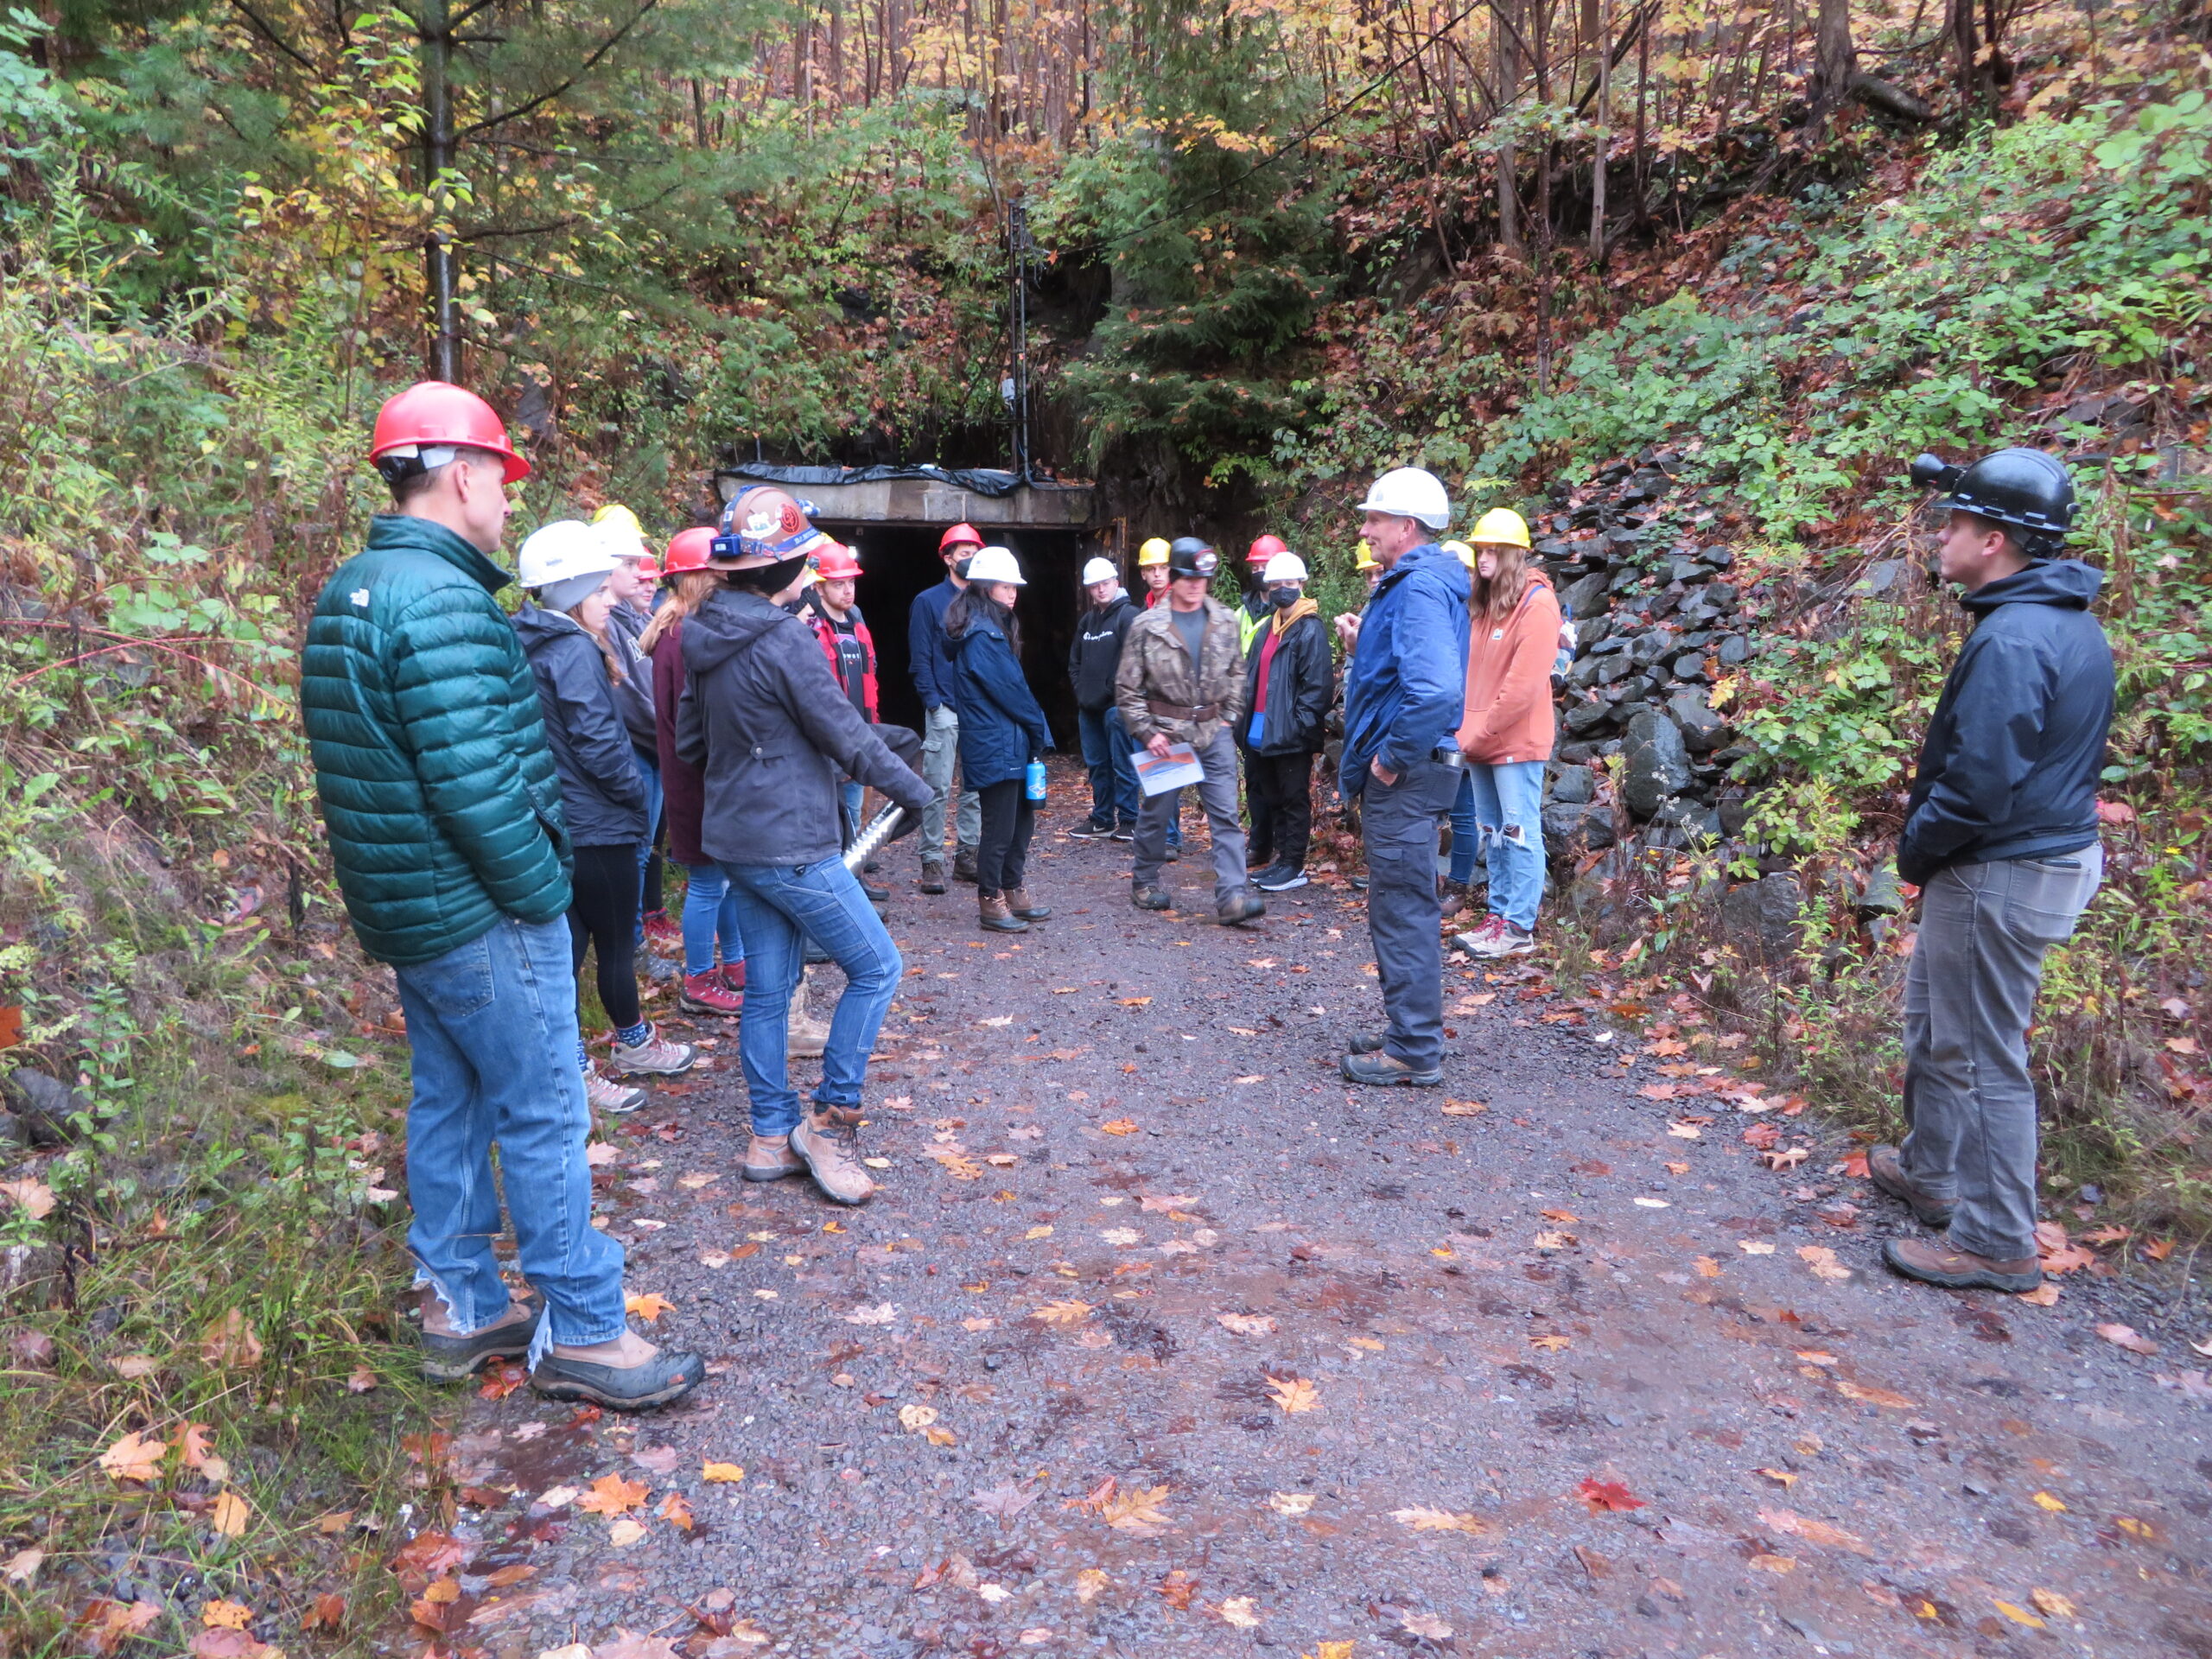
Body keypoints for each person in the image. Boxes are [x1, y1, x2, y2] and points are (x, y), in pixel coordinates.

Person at [300, 380, 702, 1409]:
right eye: (505, 481)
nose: (510, 504)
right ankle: (583, 1331)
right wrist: (541, 894)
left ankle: (462, 1305)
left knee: (450, 1096)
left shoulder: (352, 587)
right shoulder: (442, 604)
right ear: (465, 474)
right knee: (544, 1109)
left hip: (411, 914)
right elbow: (477, 789)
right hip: (480, 911)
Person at [1873, 448, 2113, 1296]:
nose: (1939, 536)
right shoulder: (2058, 619)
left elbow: (1979, 783)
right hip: (2024, 858)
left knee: (1980, 1054)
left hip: (2000, 868)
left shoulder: (2015, 636)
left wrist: (1915, 853)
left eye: (1955, 524)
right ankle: (1930, 1169)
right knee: (1937, 1021)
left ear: (1997, 539)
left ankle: (1995, 1238)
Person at [678, 486, 935, 1207]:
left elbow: (695, 742)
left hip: (735, 839)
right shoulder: (785, 638)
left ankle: (768, 1135)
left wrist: (767, 751)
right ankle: (828, 1120)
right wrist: (915, 792)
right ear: (786, 570)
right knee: (878, 967)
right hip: (791, 844)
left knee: (769, 990)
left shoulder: (700, 633)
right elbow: (846, 736)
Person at [512, 522, 699, 1115]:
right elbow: (597, 739)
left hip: (557, 822)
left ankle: (572, 1066)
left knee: (567, 949)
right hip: (599, 824)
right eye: (599, 591)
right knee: (612, 946)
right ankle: (627, 1048)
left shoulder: (528, 643)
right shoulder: (571, 649)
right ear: (571, 595)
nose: (611, 597)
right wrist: (633, 798)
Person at [1337, 467, 1470, 1087]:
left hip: (1407, 775)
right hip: (1421, 772)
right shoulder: (1423, 585)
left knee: (1401, 909)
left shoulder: (1416, 587)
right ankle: (1408, 1028)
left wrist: (1389, 760)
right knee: (1402, 902)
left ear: (1406, 527)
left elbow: (1437, 691)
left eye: (1375, 520)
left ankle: (1414, 1047)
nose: (1366, 531)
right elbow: (1410, 674)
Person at [1116, 538, 1264, 925]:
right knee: (1156, 812)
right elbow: (1127, 689)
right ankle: (1144, 880)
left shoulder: (1225, 620)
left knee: (1226, 816)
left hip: (1214, 731)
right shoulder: (1147, 626)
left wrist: (1230, 715)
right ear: (1174, 577)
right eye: (1188, 577)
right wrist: (1147, 733)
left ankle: (1232, 897)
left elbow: (1237, 671)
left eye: (1204, 577)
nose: (1197, 585)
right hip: (1167, 733)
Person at [639, 527, 746, 1020]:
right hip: (695, 777)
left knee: (723, 878)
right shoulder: (682, 638)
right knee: (707, 882)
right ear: (697, 578)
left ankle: (737, 964)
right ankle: (699, 978)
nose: (727, 579)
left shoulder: (679, 630)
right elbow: (696, 719)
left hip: (698, 775)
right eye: (718, 572)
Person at [1448, 509, 1561, 956]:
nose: (1483, 557)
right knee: (1492, 832)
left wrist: (1480, 732)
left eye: (1494, 549)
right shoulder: (1482, 606)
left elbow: (1522, 686)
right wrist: (1466, 731)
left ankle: (1518, 928)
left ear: (1514, 554)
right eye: (1480, 548)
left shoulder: (1537, 604)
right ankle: (1497, 917)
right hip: (1479, 741)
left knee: (1518, 832)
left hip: (1514, 741)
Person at [946, 547, 1055, 933]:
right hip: (995, 744)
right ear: (986, 587)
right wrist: (1039, 728)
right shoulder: (982, 637)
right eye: (1006, 586)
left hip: (1010, 742)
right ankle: (990, 900)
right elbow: (1012, 692)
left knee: (1022, 821)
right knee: (1000, 827)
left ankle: (1012, 888)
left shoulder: (995, 629)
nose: (1012, 593)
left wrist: (1032, 734)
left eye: (1014, 586)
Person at [592, 504, 676, 956]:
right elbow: (629, 698)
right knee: (637, 851)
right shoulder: (609, 627)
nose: (640, 571)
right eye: (629, 563)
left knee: (645, 849)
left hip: (652, 750)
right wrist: (669, 740)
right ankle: (633, 948)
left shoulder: (631, 621)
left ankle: (636, 942)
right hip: (641, 752)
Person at [1241, 550, 1332, 893]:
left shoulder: (1309, 630)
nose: (1282, 589)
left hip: (1289, 732)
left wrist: (1298, 728)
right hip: (1260, 728)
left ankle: (1293, 864)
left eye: (1289, 583)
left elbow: (1317, 688)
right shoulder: (1268, 628)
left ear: (1302, 584)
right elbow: (1252, 676)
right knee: (1271, 796)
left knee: (1294, 799)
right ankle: (1281, 860)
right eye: (1276, 583)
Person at [909, 522, 987, 893]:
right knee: (936, 786)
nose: (969, 557)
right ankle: (932, 860)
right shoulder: (927, 602)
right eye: (963, 551)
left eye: (974, 551)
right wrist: (933, 703)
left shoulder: (983, 601)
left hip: (977, 709)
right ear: (947, 557)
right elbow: (920, 658)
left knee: (975, 788)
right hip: (945, 709)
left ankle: (967, 856)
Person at [803, 541, 883, 893]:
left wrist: (873, 729)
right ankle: (832, 885)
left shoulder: (858, 626)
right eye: (838, 583)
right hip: (824, 740)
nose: (848, 589)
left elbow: (870, 683)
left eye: (851, 582)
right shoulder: (808, 628)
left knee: (853, 811)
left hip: (858, 734)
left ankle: (853, 880)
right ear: (818, 586)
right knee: (826, 817)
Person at [1068, 556, 1141, 841]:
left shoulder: (1128, 615)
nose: (1101, 589)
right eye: (1095, 585)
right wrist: (1081, 690)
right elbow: (1074, 661)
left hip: (1117, 707)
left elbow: (1132, 661)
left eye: (1105, 583)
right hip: (1089, 706)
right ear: (1089, 589)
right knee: (1097, 764)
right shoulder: (1088, 621)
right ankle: (1102, 819)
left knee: (1122, 763)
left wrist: (1109, 691)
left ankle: (1129, 819)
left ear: (1116, 582)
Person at [1238, 533, 1287, 657]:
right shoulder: (1243, 612)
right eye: (1255, 568)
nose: (1260, 572)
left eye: (1265, 567)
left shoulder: (1296, 610)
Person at [1136, 537, 1173, 608]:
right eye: (1151, 569)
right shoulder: (1146, 607)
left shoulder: (1181, 603)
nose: (1157, 574)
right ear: (1143, 574)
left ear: (1171, 571)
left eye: (1163, 568)